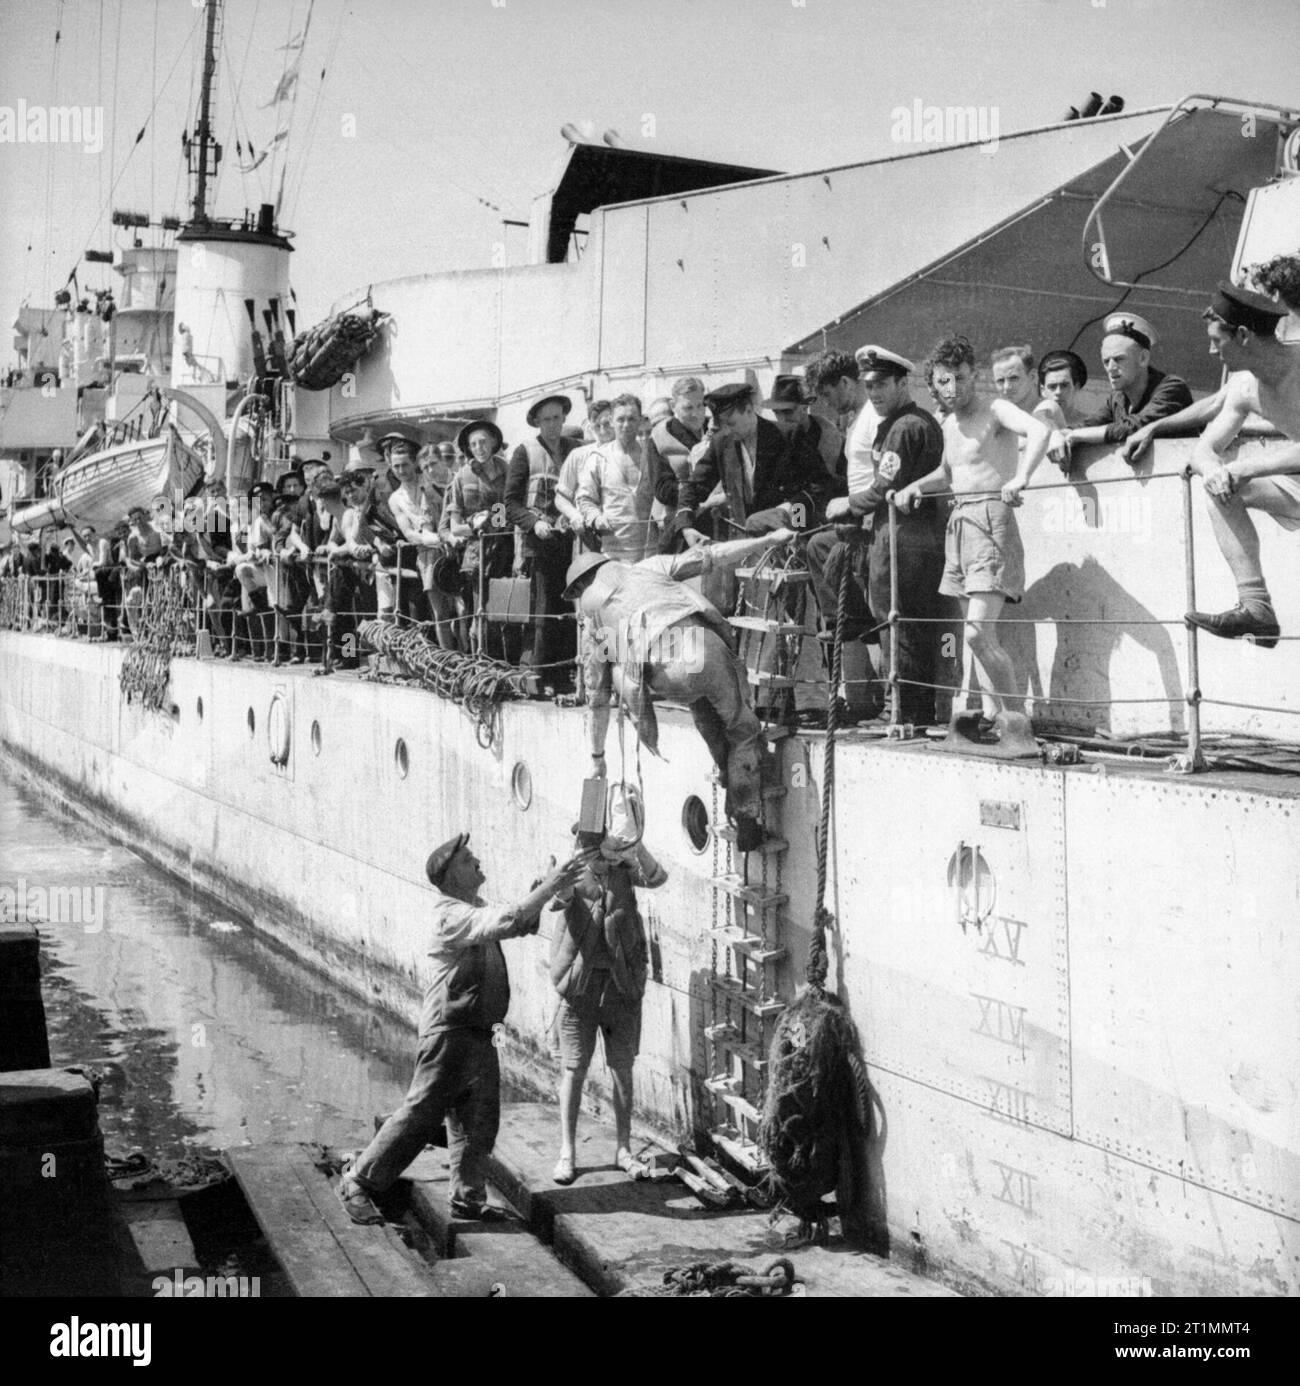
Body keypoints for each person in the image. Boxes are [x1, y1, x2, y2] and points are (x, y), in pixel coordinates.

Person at [336, 835, 588, 1224]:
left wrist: (543, 889)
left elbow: (519, 923)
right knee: (421, 1113)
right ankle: (358, 1180)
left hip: (477, 1033)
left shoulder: (474, 908)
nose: (478, 862)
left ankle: (466, 1198)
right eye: (470, 860)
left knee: (478, 1121)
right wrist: (551, 886)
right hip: (448, 1030)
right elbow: (509, 920)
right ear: (452, 877)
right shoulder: (449, 915)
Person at [564, 528, 797, 852]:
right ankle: (747, 821)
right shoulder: (650, 566)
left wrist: (597, 755)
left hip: (669, 672)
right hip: (708, 647)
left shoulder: (595, 616)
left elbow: (598, 696)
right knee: (742, 728)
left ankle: (735, 793)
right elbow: (714, 555)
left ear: (580, 588)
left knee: (697, 709)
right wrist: (768, 540)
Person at [894, 334, 1051, 726]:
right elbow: (949, 474)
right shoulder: (948, 424)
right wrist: (916, 486)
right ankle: (994, 719)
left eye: (960, 378)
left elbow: (1040, 432)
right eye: (944, 382)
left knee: (978, 634)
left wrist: (1022, 478)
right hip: (959, 524)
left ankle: (1016, 721)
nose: (952, 388)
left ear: (974, 375)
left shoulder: (995, 408)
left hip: (991, 518)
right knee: (976, 634)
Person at [820, 347, 948, 726]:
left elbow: (881, 489)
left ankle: (901, 712)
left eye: (881, 385)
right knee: (899, 619)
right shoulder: (898, 423)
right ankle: (912, 710)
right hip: (899, 534)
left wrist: (845, 504)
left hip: (902, 537)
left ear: (902, 383)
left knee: (897, 618)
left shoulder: (906, 427)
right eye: (869, 385)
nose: (873, 393)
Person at [1181, 281, 1298, 646]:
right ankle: (1256, 608)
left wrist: (1244, 467)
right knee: (1221, 489)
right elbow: (1203, 449)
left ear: (1244, 335)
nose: (1212, 350)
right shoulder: (1243, 385)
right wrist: (1215, 469)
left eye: (1218, 340)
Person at [549, 823, 666, 1185]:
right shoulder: (571, 876)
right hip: (579, 990)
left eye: (604, 851)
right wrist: (564, 873)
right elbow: (559, 898)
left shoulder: (624, 873)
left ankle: (623, 1150)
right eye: (593, 851)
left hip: (620, 988)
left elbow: (658, 877)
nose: (600, 859)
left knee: (622, 1069)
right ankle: (567, 1153)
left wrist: (636, 846)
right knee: (574, 1069)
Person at [674, 382, 826, 543]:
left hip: (789, 539)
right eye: (723, 425)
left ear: (748, 409)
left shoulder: (789, 436)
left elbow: (818, 486)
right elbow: (695, 485)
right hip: (745, 543)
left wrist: (795, 521)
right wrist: (686, 526)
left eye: (731, 423)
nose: (727, 430)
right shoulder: (721, 442)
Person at [504, 394, 579, 683]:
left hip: (572, 543)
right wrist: (533, 524)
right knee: (543, 610)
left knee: (570, 609)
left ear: (563, 418)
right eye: (546, 419)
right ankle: (537, 674)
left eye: (557, 418)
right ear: (536, 421)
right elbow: (510, 504)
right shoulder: (525, 451)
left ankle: (567, 673)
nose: (552, 425)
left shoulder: (575, 449)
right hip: (540, 544)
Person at [1059, 313, 1193, 460]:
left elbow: (1135, 427)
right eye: (1106, 361)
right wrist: (1063, 435)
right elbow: (1090, 425)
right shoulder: (1117, 398)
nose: (1110, 368)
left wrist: (1075, 435)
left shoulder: (1172, 388)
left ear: (1143, 358)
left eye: (1119, 359)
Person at [447, 420, 514, 655]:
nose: (479, 448)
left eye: (483, 442)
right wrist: (474, 525)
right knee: (477, 612)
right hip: (476, 555)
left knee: (504, 611)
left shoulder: (509, 471)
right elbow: (454, 527)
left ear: (494, 442)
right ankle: (478, 664)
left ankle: (502, 665)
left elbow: (515, 510)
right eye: (473, 444)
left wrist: (497, 520)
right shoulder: (461, 477)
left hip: (507, 550)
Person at [577, 394, 658, 563]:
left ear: (640, 421)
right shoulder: (599, 457)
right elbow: (585, 498)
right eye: (621, 419)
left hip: (650, 554)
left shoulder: (651, 455)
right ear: (611, 421)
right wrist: (596, 518)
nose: (626, 425)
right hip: (613, 554)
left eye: (632, 419)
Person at [648, 376, 707, 552]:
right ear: (673, 406)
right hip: (678, 527)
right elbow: (662, 490)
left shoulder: (716, 428)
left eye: (700, 405)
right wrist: (698, 491)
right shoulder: (659, 437)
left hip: (717, 522)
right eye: (688, 408)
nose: (696, 414)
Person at [554, 400, 613, 549]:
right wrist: (574, 515)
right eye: (596, 425)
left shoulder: (628, 452)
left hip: (620, 532)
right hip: (588, 535)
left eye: (607, 424)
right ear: (589, 425)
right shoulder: (578, 455)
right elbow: (561, 497)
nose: (602, 430)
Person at [765, 374, 843, 477]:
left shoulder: (829, 436)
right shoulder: (773, 438)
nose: (782, 419)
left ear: (804, 408)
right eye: (777, 412)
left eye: (788, 412)